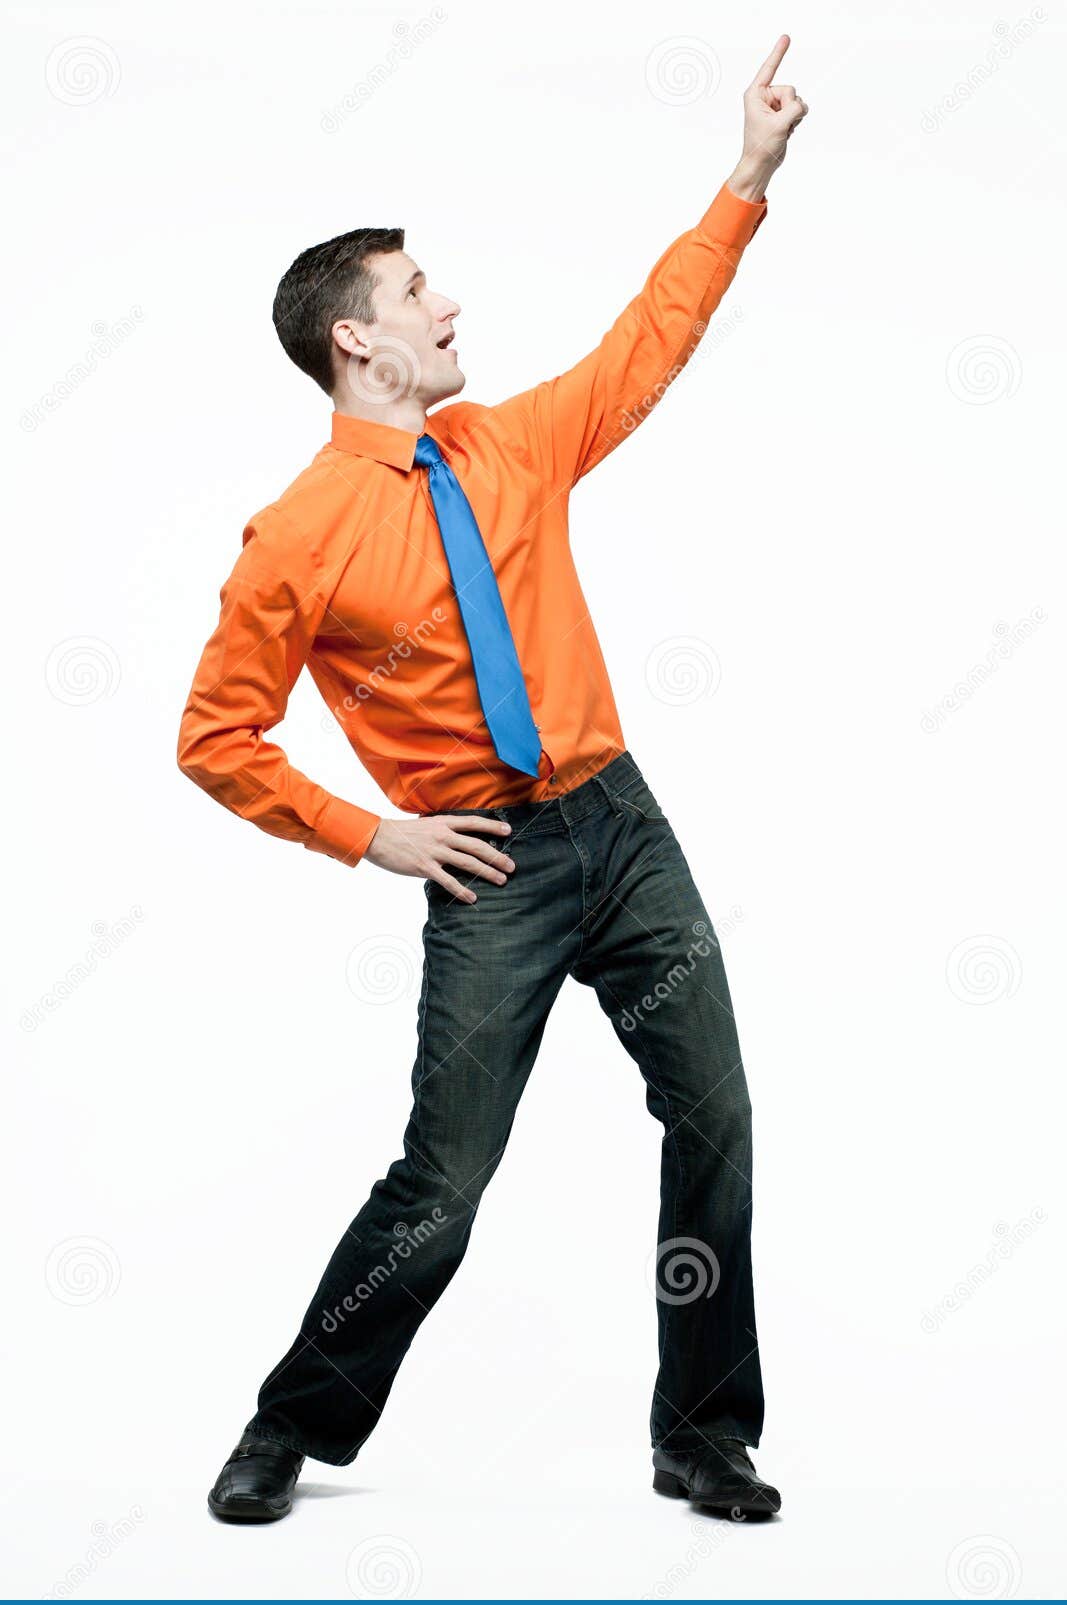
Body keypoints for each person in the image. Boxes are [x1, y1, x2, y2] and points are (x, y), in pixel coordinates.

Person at [178, 35, 807, 1525]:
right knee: (444, 1182)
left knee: (716, 1119)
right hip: (491, 871)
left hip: (622, 826)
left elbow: (644, 344)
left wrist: (746, 176)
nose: (449, 304)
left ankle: (702, 1434)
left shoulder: (506, 447)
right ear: (359, 343)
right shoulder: (297, 537)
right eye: (418, 292)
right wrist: (374, 836)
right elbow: (216, 736)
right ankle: (287, 1424)